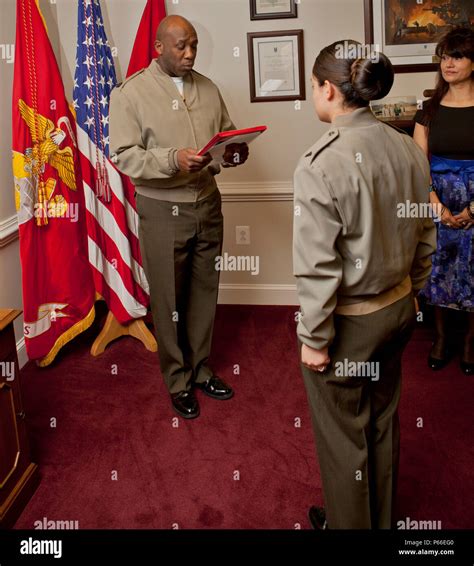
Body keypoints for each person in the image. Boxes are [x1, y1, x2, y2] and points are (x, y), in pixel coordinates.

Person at [293, 40, 436, 529]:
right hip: (399, 310)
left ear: (329, 90)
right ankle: (381, 518)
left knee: (343, 438)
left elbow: (317, 267)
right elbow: (426, 232)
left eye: (314, 86)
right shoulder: (405, 146)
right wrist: (412, 290)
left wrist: (313, 339)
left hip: (351, 323)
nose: (314, 94)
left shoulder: (320, 161)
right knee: (380, 421)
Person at [109, 15, 248, 419]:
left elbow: (227, 134)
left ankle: (201, 369)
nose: (189, 54)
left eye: (193, 47)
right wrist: (173, 159)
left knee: (204, 294)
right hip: (162, 209)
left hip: (208, 202)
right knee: (169, 299)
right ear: (159, 48)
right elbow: (124, 156)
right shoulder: (130, 94)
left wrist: (235, 151)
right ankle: (178, 380)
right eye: (180, 47)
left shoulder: (208, 87)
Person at [413, 27, 474, 376]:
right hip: (438, 203)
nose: (448, 63)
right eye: (444, 56)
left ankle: (469, 341)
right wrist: (435, 205)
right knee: (438, 270)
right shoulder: (428, 111)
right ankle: (439, 338)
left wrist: (471, 211)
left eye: (458, 56)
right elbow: (420, 166)